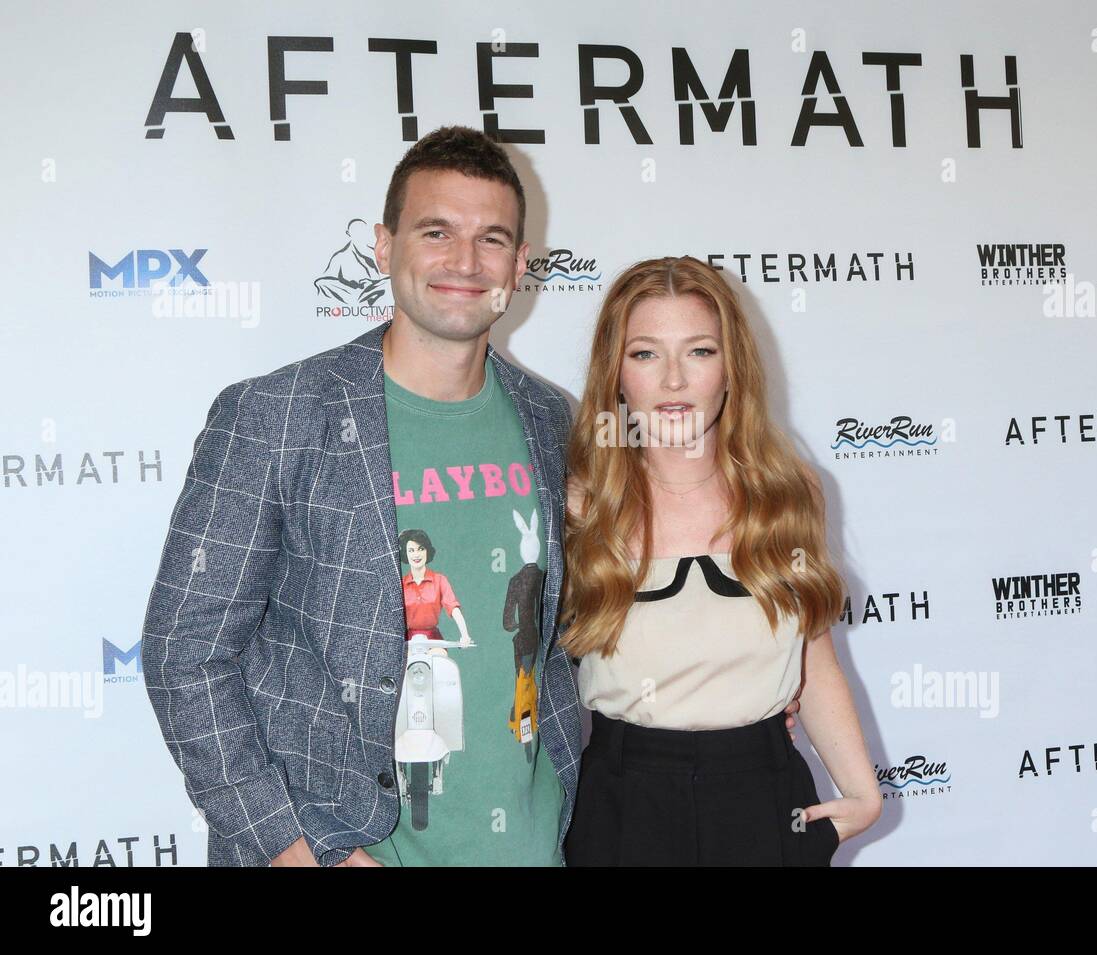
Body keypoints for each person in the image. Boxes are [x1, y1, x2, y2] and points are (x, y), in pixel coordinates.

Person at [140, 125, 581, 866]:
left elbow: (558, 628)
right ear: (384, 246)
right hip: (346, 849)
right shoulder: (278, 415)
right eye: (436, 231)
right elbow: (185, 653)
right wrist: (294, 849)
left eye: (492, 239)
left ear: (521, 263)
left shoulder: (547, 416)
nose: (465, 262)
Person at [560, 255, 884, 865]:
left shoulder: (788, 493)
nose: (675, 381)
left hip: (763, 799)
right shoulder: (580, 502)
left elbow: (814, 655)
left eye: (700, 351)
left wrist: (863, 794)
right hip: (623, 805)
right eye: (646, 353)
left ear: (732, 366)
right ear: (617, 375)